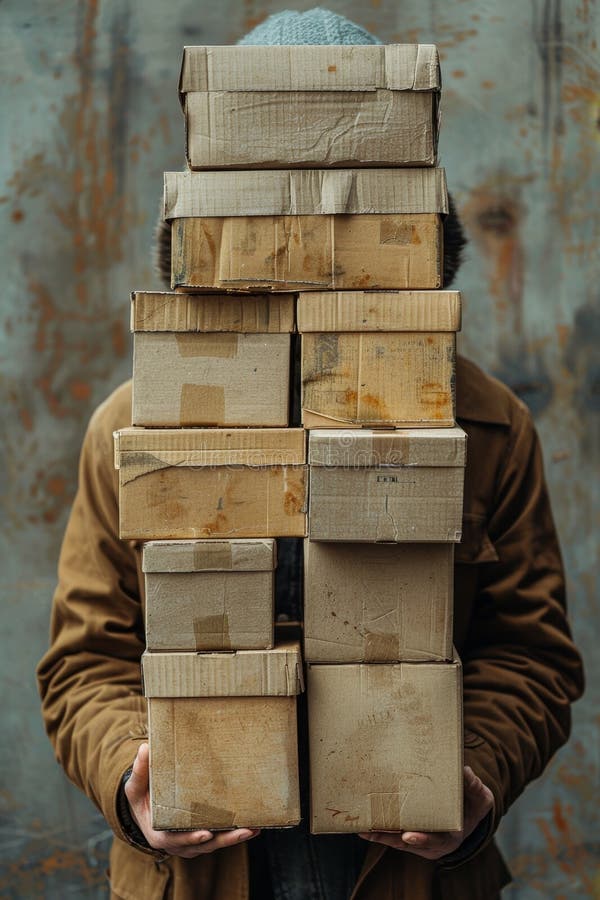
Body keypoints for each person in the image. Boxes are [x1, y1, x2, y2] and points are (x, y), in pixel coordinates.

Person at [37, 9, 584, 900]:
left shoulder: (487, 428)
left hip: (408, 874)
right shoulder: (135, 429)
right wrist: (133, 775)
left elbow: (531, 655)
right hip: (204, 873)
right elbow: (83, 660)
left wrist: (472, 777)